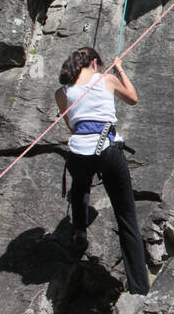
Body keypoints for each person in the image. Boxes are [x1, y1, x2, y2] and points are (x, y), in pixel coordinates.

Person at [55, 46, 149, 295]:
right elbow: (133, 97)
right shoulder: (107, 79)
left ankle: (79, 229)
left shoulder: (62, 92)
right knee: (126, 217)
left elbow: (72, 125)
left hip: (79, 151)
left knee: (80, 183)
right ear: (95, 63)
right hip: (106, 149)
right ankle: (139, 288)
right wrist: (119, 69)